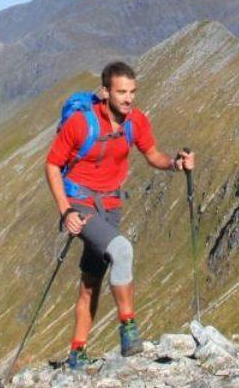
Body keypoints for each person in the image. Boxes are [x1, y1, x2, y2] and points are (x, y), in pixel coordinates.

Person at [46, 60, 195, 371]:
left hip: (111, 206)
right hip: (81, 204)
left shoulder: (135, 121)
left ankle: (77, 353)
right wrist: (66, 211)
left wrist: (174, 164)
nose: (128, 98)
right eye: (121, 92)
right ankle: (129, 327)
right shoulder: (80, 124)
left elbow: (152, 155)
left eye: (132, 92)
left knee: (91, 281)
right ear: (105, 92)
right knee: (122, 250)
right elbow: (52, 165)